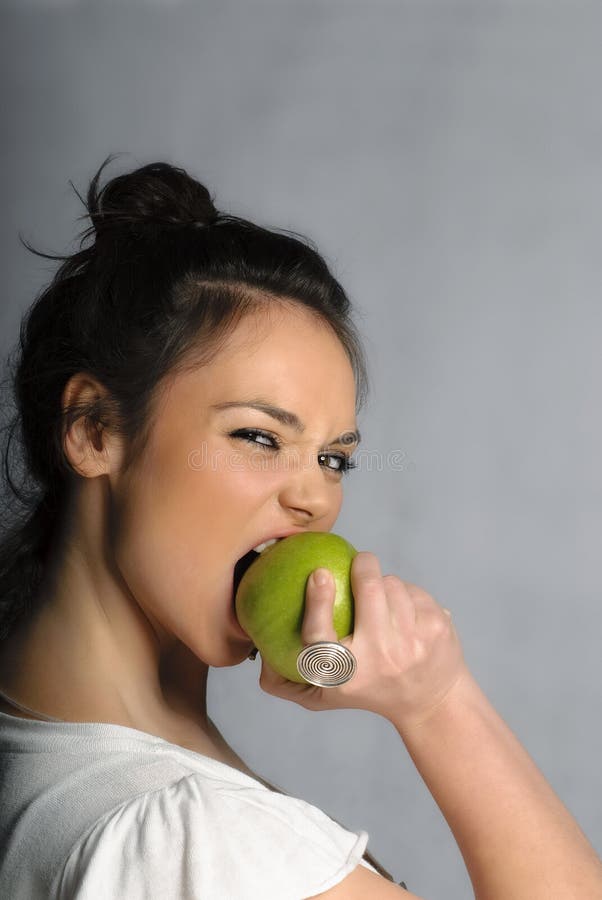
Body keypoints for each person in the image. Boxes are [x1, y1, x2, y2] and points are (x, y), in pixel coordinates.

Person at [0, 159, 599, 900]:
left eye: (332, 458)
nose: (315, 497)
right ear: (92, 430)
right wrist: (440, 702)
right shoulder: (193, 838)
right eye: (257, 437)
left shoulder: (44, 746)